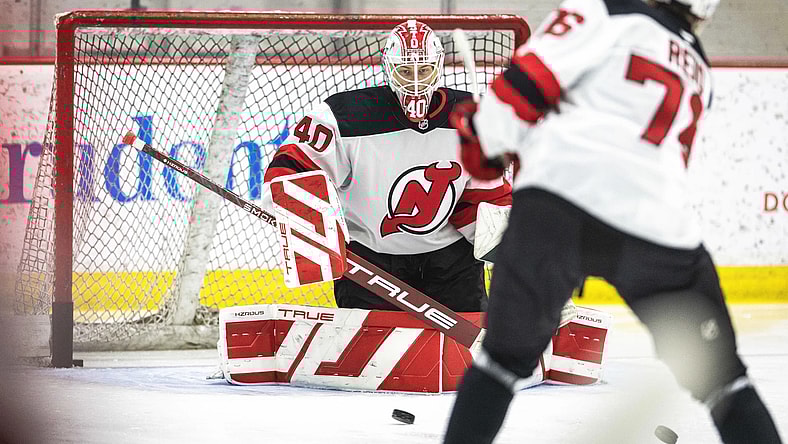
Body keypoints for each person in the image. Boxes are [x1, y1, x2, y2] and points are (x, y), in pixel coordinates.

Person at [444, 0, 783, 443]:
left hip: (560, 204)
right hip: (656, 225)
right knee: (726, 383)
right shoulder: (699, 65)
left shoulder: (604, 9)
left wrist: (483, 136)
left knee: (500, 364)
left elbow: (519, 93)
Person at [261, 20, 511, 312]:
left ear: (438, 68)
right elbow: (290, 167)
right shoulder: (342, 117)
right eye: (405, 71)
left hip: (451, 262)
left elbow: (481, 200)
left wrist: (519, 261)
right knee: (366, 355)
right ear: (389, 69)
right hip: (371, 260)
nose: (415, 82)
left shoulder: (472, 119)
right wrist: (302, 216)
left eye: (424, 70)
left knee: (463, 354)